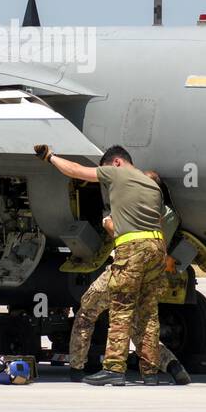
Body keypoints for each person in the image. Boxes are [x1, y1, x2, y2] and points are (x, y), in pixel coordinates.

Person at [35, 143, 165, 386]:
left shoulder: (116, 171)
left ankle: (114, 369)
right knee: (148, 313)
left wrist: (50, 157)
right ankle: (150, 373)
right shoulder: (152, 186)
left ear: (116, 162)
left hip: (132, 250)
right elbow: (153, 222)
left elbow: (75, 170)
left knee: (121, 308)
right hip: (156, 249)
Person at [67, 170, 193, 385]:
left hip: (128, 269)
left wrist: (109, 224)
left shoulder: (135, 210)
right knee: (143, 325)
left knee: (88, 312)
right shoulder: (169, 215)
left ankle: (78, 367)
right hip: (154, 272)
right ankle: (168, 366)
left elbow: (124, 238)